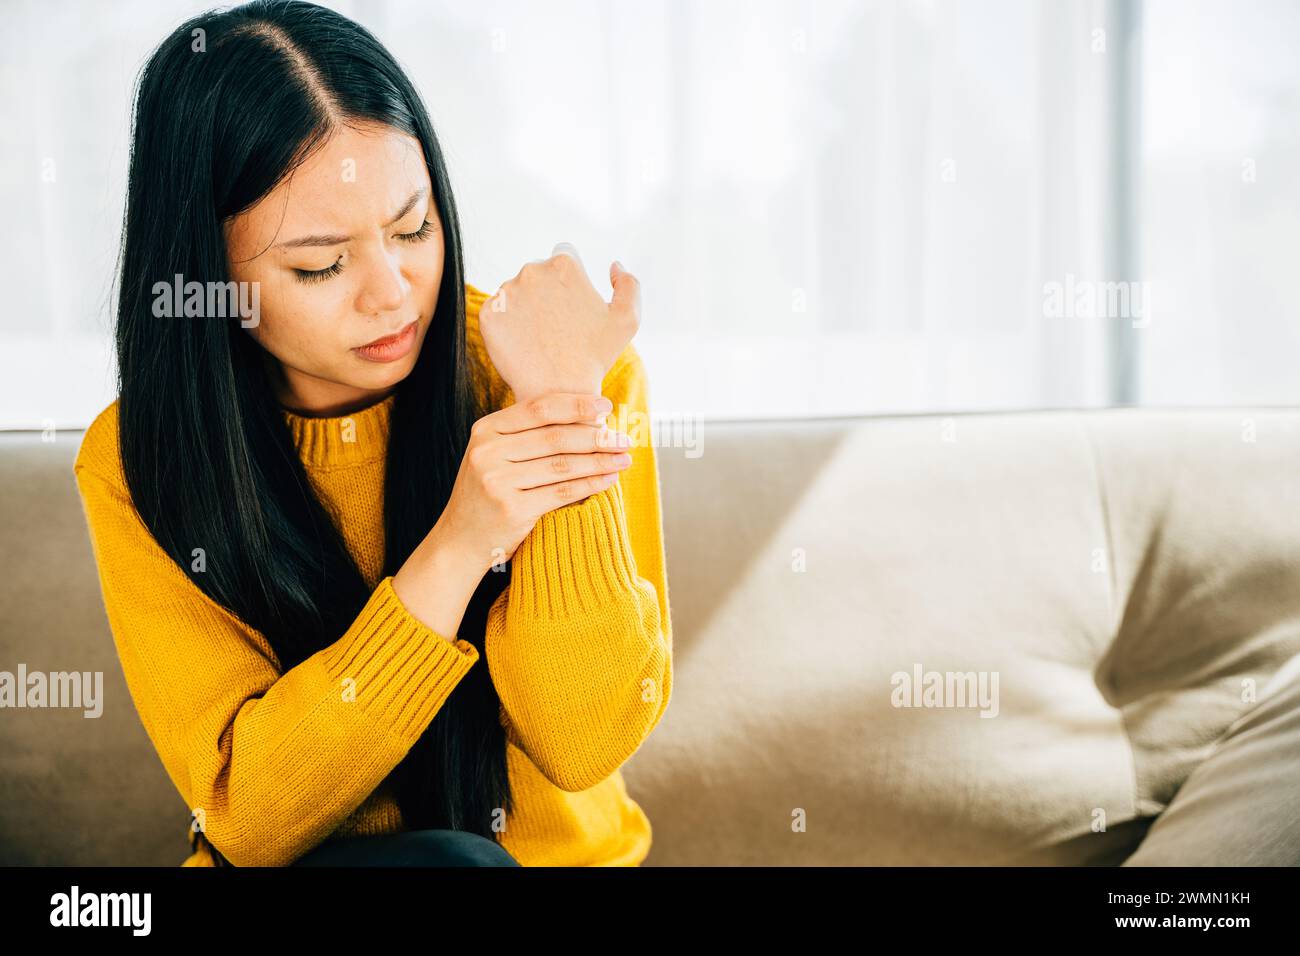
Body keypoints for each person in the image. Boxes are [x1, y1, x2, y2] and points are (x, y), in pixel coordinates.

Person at [73, 0, 672, 867]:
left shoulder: (564, 373)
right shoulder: (139, 461)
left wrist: (559, 406)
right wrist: (458, 549)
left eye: (413, 227)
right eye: (321, 263)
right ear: (206, 271)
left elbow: (583, 739)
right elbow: (249, 815)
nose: (393, 292)